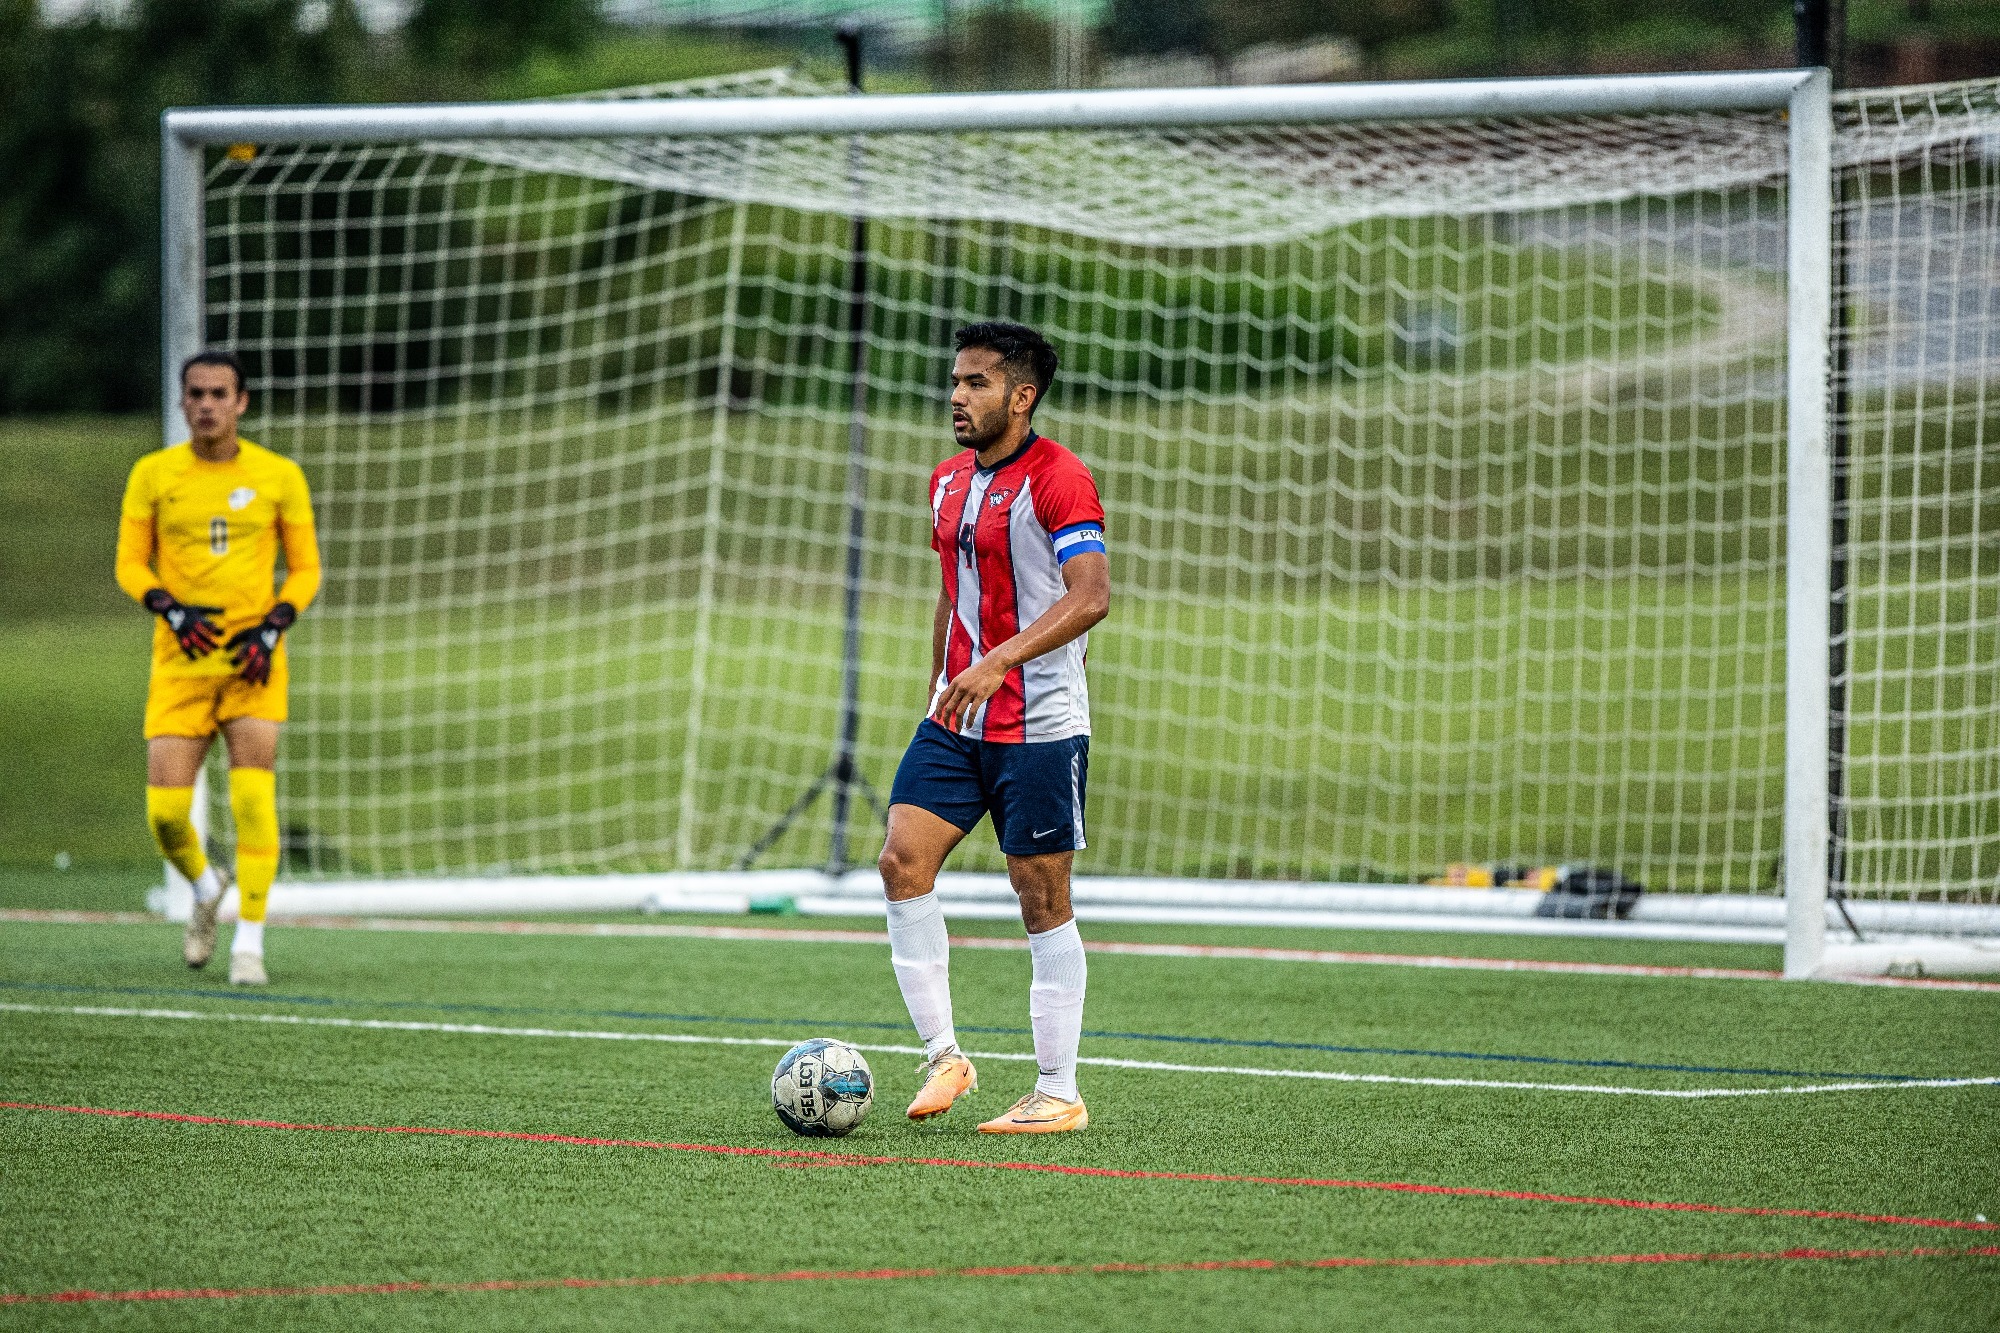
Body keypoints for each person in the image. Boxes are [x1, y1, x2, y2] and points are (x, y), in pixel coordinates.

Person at [880, 322, 1110, 1134]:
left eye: (977, 382)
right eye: (956, 380)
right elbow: (955, 589)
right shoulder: (946, 481)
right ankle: (946, 1055)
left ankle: (1058, 1090)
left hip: (1039, 723)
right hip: (957, 718)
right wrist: (940, 685)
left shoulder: (1060, 479)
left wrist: (998, 662)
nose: (957, 395)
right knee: (901, 860)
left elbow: (1091, 596)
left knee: (1040, 896)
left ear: (1022, 396)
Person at [116, 351, 321, 986]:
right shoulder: (153, 474)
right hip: (181, 664)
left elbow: (306, 568)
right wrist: (169, 608)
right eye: (196, 393)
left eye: (218, 393)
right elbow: (130, 563)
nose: (206, 405)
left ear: (241, 402)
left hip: (251, 663)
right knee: (166, 814)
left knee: (254, 800)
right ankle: (207, 888)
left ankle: (249, 944)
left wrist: (274, 623)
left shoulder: (279, 475)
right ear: (182, 402)